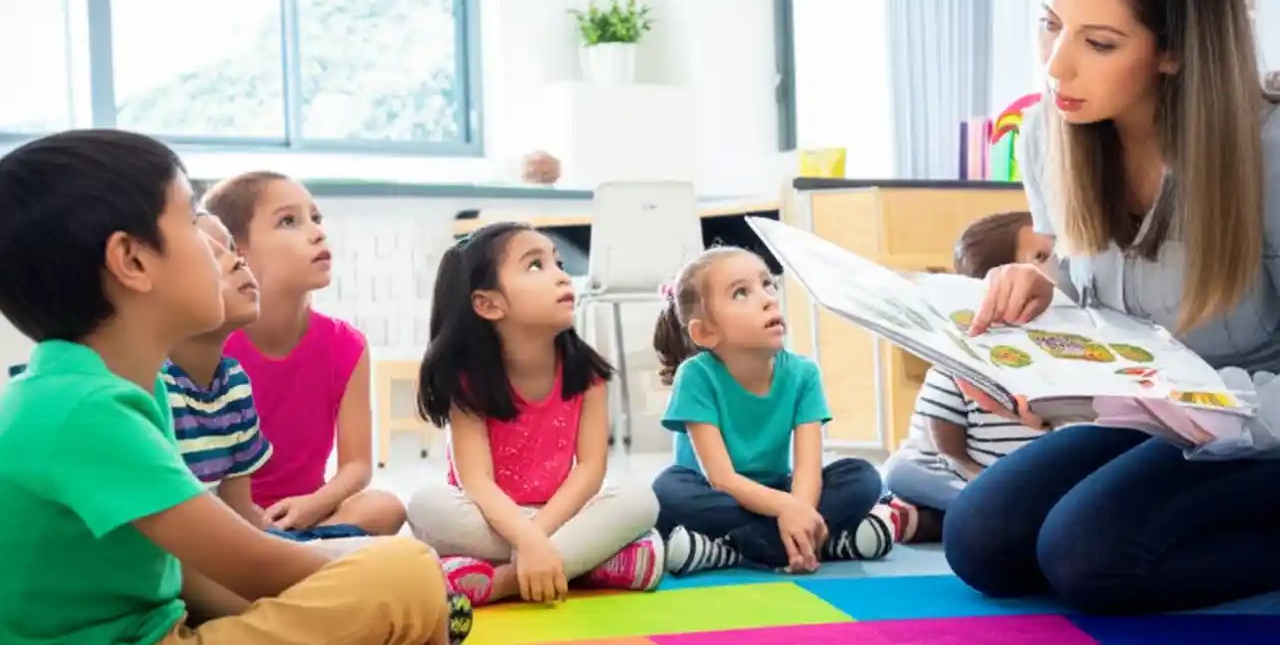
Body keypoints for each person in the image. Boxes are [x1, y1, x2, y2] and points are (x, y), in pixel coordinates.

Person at [943, 0, 1280, 614]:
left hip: (1257, 427)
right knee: (979, 539)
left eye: (1099, 42)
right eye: (1050, 26)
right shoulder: (1050, 135)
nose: (1056, 67)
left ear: (1176, 50)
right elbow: (1083, 275)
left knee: (1087, 557)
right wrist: (1039, 300)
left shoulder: (1267, 154)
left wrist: (1210, 411)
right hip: (1146, 416)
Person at [0, 130, 449, 644]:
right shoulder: (82, 408)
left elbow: (185, 574)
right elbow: (257, 566)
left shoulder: (114, 389)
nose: (218, 246)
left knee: (395, 576)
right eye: (193, 220)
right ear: (133, 261)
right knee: (406, 570)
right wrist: (381, 592)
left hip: (164, 624)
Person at [407, 222, 662, 606]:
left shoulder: (589, 375)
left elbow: (590, 470)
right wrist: (528, 541)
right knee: (426, 506)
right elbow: (475, 482)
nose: (561, 275)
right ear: (489, 304)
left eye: (557, 263)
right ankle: (587, 563)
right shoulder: (469, 381)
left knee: (640, 499)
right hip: (490, 517)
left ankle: (504, 580)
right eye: (535, 265)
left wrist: (536, 537)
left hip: (559, 513)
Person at [650, 246, 892, 576]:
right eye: (741, 292)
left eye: (768, 284)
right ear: (706, 332)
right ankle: (821, 542)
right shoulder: (696, 376)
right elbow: (721, 478)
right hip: (718, 495)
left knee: (863, 477)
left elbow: (807, 470)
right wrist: (788, 509)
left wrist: (799, 512)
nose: (768, 299)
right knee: (669, 487)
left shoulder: (804, 373)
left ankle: (732, 549)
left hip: (778, 492)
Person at [202, 172, 405, 538]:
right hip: (230, 520)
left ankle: (286, 554)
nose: (316, 232)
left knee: (384, 508)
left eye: (316, 218)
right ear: (236, 250)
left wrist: (314, 504)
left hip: (308, 517)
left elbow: (357, 465)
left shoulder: (347, 344)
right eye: (288, 221)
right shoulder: (212, 343)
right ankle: (290, 557)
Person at [882, 212, 1049, 543]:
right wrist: (984, 487)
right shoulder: (956, 365)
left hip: (1041, 484)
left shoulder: (1060, 359)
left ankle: (927, 521)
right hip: (977, 478)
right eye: (1041, 258)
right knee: (900, 469)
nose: (1056, 269)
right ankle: (989, 512)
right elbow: (949, 453)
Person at [163, 213, 272, 528]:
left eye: (234, 252)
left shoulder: (234, 383)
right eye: (213, 256)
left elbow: (241, 512)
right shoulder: (153, 387)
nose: (240, 263)